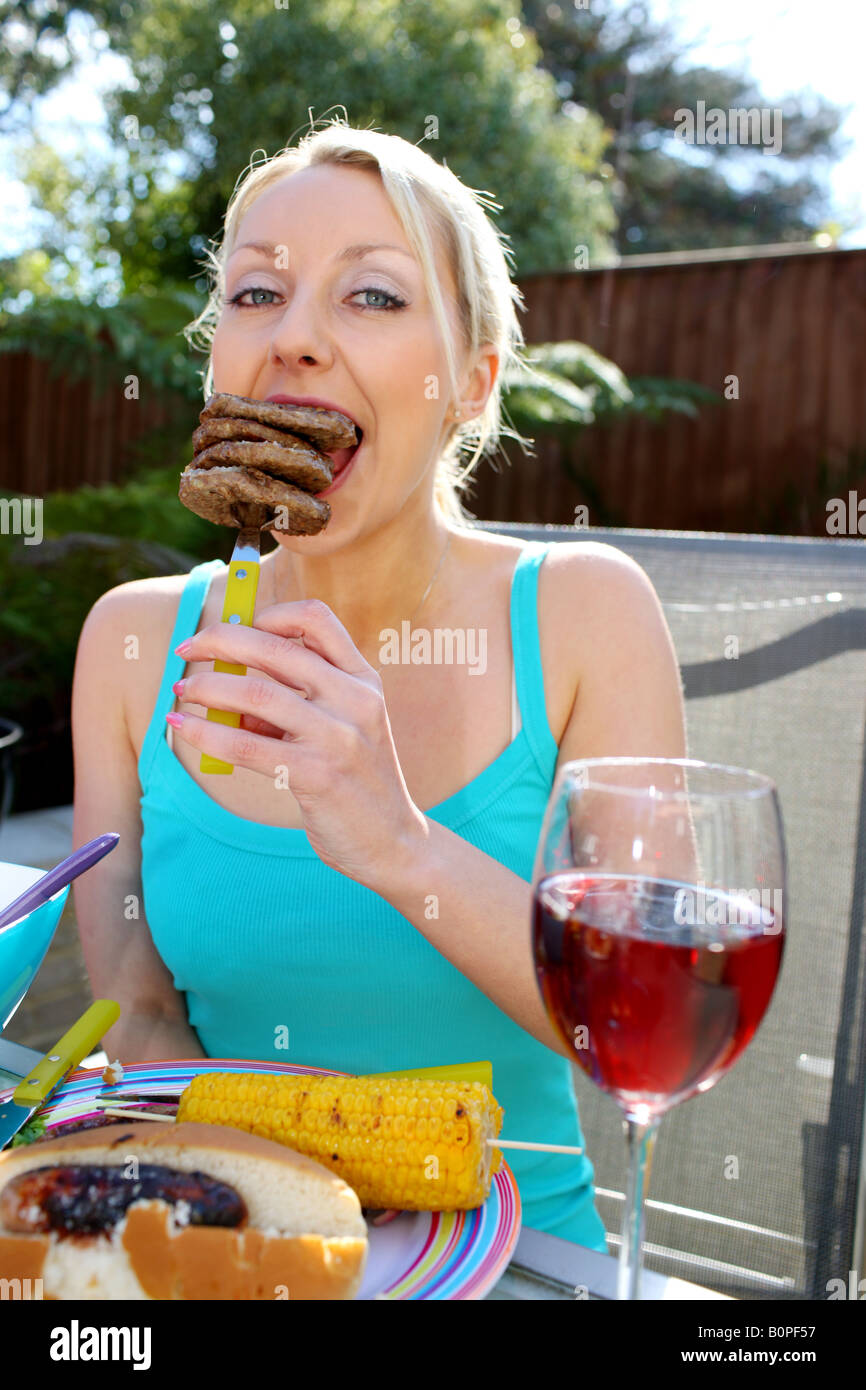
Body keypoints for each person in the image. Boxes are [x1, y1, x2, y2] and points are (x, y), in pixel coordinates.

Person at [71, 122, 688, 1250]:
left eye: (370, 296)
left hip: (522, 1268)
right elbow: (133, 992)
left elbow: (646, 1029)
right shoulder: (129, 642)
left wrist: (398, 843)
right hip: (231, 1238)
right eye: (257, 293)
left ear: (469, 381)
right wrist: (246, 1187)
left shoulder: (587, 615)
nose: (295, 337)